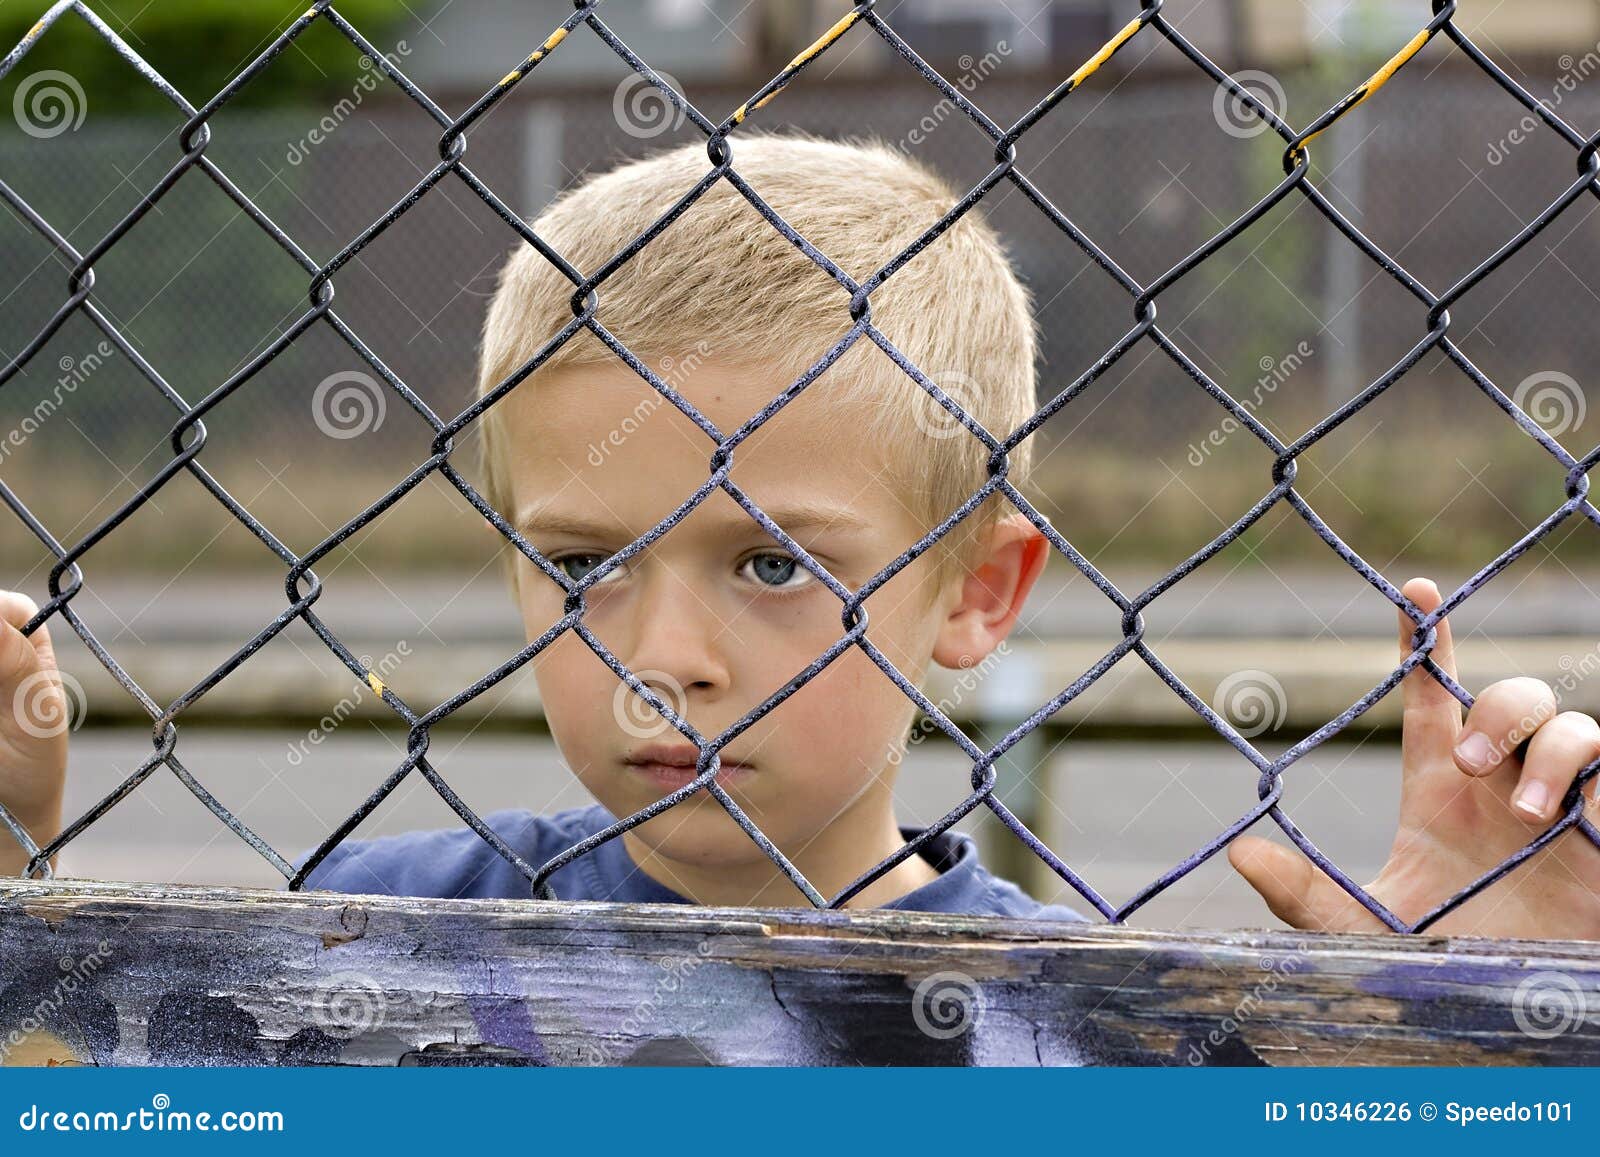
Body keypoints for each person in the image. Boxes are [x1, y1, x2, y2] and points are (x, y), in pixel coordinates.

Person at [2, 133, 1596, 938]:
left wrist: (1469, 1022)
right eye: (579, 566)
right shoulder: (376, 919)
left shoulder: (1090, 1028)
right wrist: (20, 876)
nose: (661, 664)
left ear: (979, 592)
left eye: (773, 564)